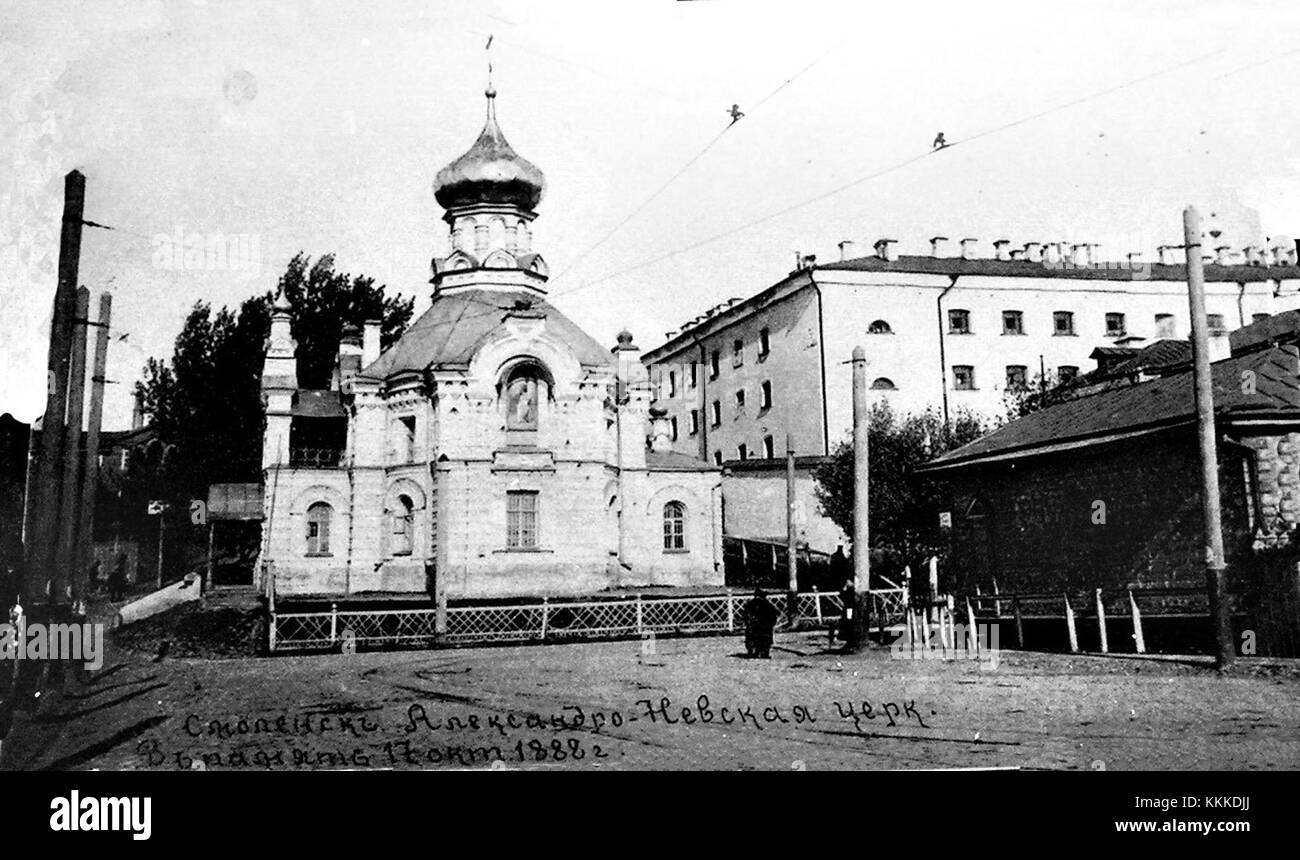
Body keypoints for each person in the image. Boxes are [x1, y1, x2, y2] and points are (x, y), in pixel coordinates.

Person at [743, 588, 778, 659]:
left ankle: (753, 652)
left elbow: (745, 616)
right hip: (765, 627)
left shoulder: (750, 604)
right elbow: (773, 615)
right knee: (765, 640)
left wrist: (748, 623)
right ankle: (764, 653)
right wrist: (772, 623)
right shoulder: (768, 605)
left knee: (752, 639)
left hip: (753, 626)